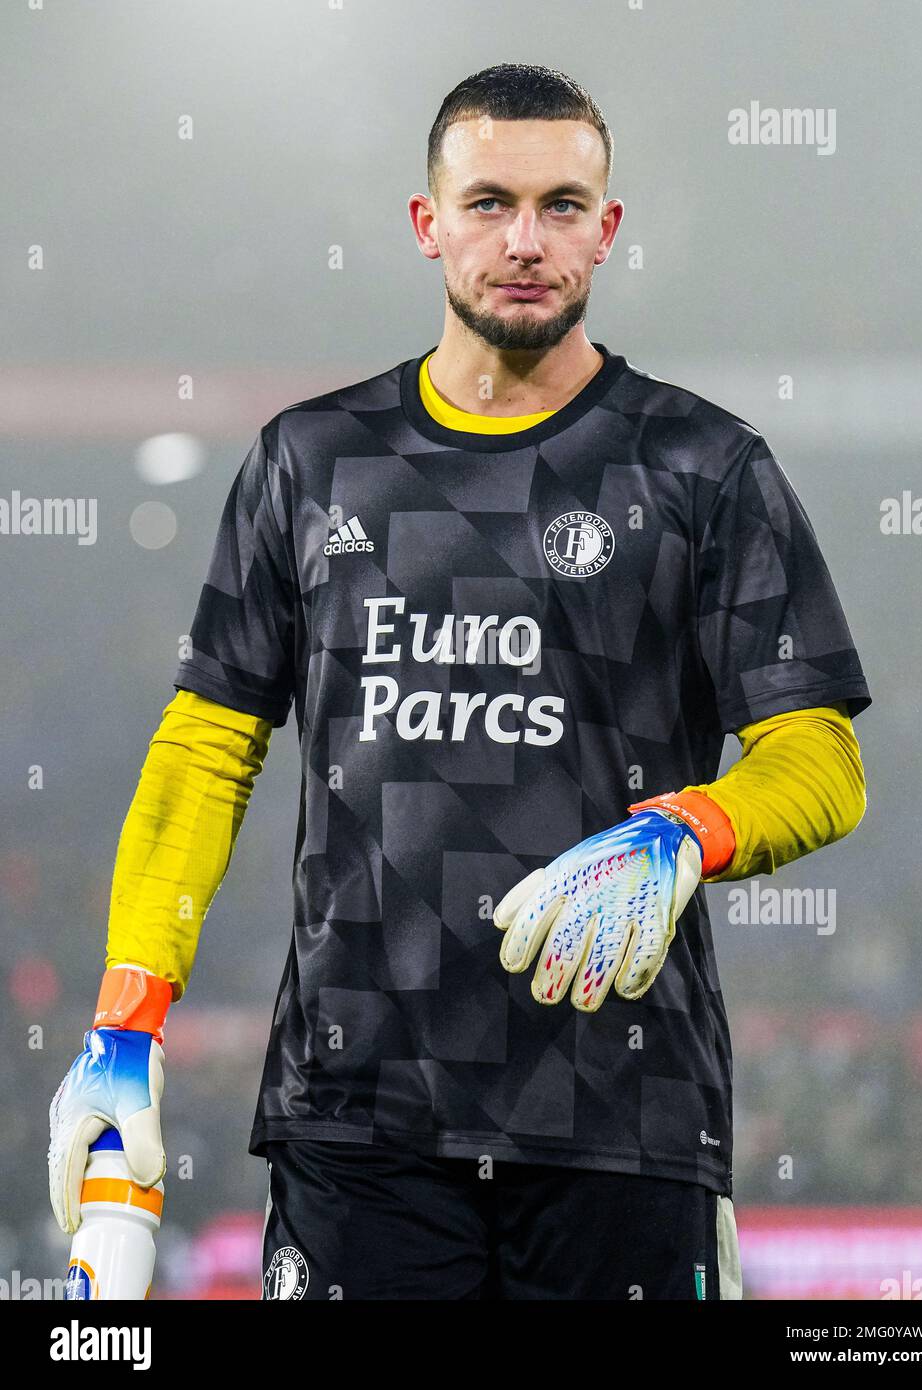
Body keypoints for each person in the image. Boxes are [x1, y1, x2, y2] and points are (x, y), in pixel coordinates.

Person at [49, 62, 870, 1300]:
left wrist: (688, 829)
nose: (525, 241)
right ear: (428, 223)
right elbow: (206, 749)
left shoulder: (705, 467)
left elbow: (820, 754)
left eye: (561, 205)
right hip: (358, 1117)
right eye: (489, 202)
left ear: (608, 227)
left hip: (622, 1113)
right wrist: (125, 1016)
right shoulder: (313, 462)